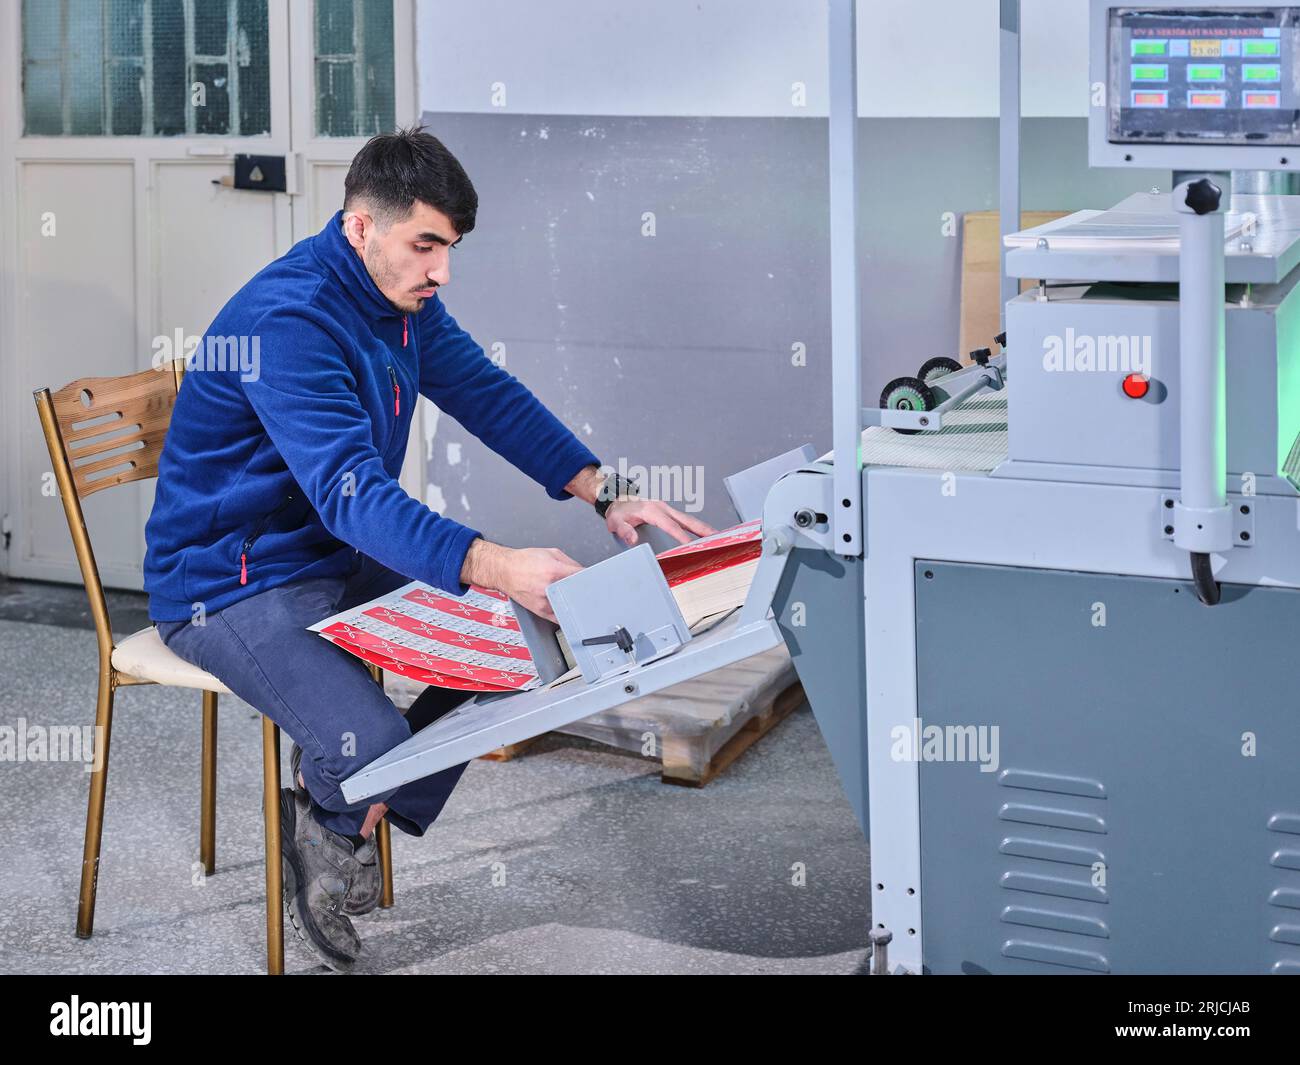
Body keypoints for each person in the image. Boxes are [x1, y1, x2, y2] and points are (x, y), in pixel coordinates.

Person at [143, 126, 713, 971]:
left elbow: (486, 394)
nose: (442, 270)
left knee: (521, 645)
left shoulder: (403, 302)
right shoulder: (288, 322)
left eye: (448, 248)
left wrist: (607, 490)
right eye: (426, 245)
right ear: (359, 227)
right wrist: (496, 559)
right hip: (228, 579)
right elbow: (351, 496)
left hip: (323, 554)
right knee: (370, 739)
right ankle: (335, 813)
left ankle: (350, 788)